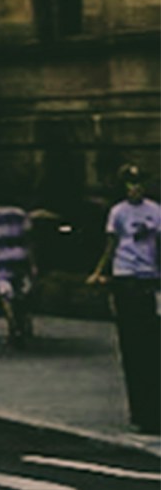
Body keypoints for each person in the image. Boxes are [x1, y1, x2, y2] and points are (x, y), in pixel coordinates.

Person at [97, 167, 161, 433]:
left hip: (150, 279)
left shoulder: (156, 211)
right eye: (130, 183)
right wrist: (101, 271)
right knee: (133, 347)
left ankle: (153, 410)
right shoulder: (119, 212)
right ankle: (141, 412)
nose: (135, 188)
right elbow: (111, 245)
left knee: (153, 348)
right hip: (126, 279)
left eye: (139, 182)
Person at [0, 187, 41, 351]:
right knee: (21, 292)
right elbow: (29, 238)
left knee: (5, 294)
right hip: (20, 255)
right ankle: (22, 322)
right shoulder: (20, 214)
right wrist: (33, 264)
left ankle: (13, 327)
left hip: (0, 256)